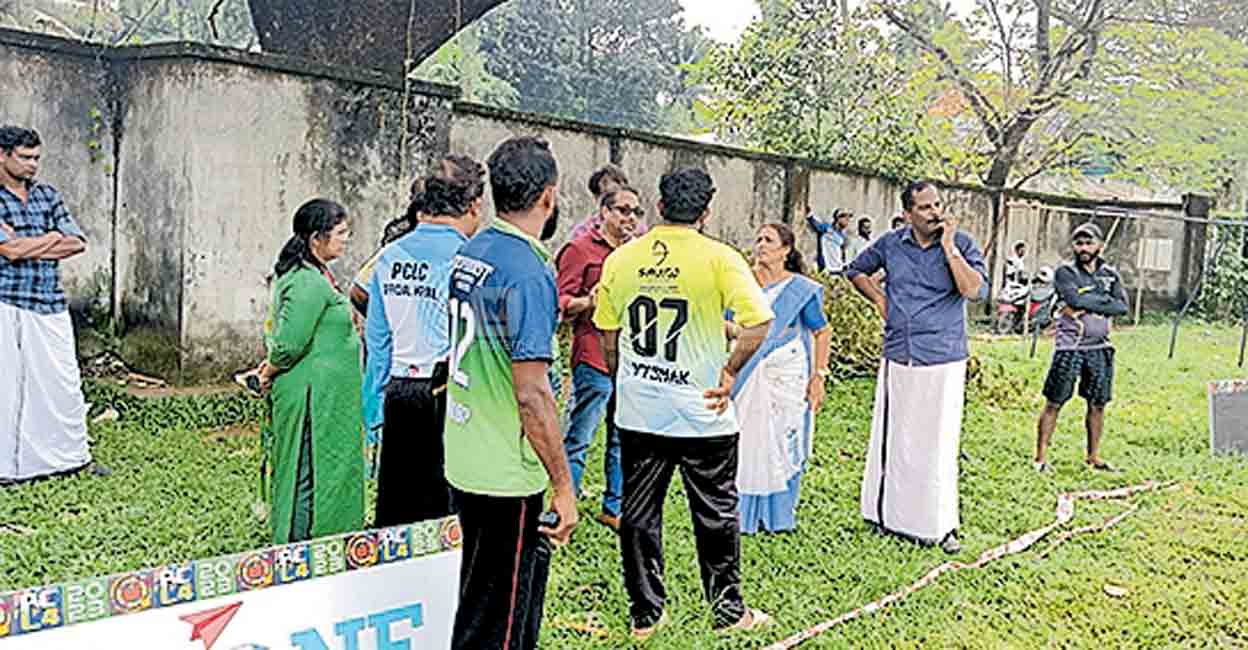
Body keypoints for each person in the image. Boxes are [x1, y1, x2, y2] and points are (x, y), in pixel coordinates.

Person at [594, 168, 775, 639]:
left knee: (637, 512)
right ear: (706, 211)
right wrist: (731, 371)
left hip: (640, 408)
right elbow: (758, 323)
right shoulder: (721, 258)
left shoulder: (623, 259)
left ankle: (646, 616)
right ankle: (728, 612)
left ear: (657, 205)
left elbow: (608, 335)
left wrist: (624, 377)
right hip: (703, 412)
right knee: (715, 512)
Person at [443, 136, 577, 650]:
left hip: (463, 453)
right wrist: (563, 484)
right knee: (499, 620)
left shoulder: (470, 251)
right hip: (505, 472)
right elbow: (532, 395)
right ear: (549, 195)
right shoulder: (528, 272)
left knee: (479, 599)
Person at [847, 180, 987, 555]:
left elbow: (973, 290)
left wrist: (949, 249)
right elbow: (856, 270)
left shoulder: (963, 244)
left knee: (936, 443)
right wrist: (879, 299)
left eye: (937, 204)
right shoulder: (892, 243)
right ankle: (886, 516)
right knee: (893, 439)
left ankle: (938, 525)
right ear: (907, 214)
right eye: (924, 207)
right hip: (898, 352)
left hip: (942, 356)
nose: (935, 212)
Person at [363, 155, 485, 527]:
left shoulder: (388, 257)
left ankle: (396, 579)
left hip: (398, 393)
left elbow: (377, 338)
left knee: (398, 504)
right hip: (450, 393)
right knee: (447, 509)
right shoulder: (469, 259)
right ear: (473, 205)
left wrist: (372, 407)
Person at [252, 198, 364, 544]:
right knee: (307, 470)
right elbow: (289, 343)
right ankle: (299, 545)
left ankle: (320, 537)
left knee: (319, 467)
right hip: (310, 395)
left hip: (324, 392)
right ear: (317, 239)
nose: (346, 239)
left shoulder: (316, 274)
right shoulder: (307, 283)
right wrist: (268, 371)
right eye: (341, 233)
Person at [0, 126, 106, 484]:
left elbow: (76, 242)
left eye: (36, 158)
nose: (33, 164)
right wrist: (49, 238)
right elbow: (8, 251)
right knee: (8, 387)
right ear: (3, 155)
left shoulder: (47, 195)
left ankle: (68, 459)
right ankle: (9, 469)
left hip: (50, 302)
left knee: (62, 383)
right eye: (25, 157)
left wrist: (31, 243)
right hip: (8, 302)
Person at [730, 223, 831, 534]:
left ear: (786, 250)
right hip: (746, 369)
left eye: (769, 240)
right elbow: (724, 323)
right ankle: (739, 513)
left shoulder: (801, 289)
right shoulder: (742, 284)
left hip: (787, 373)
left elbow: (821, 331)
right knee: (744, 438)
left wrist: (819, 376)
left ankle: (777, 514)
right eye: (758, 239)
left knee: (781, 440)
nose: (760, 245)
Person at [555, 184, 642, 532]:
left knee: (622, 437)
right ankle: (566, 506)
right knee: (579, 436)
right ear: (603, 212)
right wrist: (589, 302)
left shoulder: (639, 254)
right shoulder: (579, 250)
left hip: (631, 357)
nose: (629, 218)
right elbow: (561, 304)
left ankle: (614, 507)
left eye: (635, 212)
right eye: (622, 210)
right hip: (592, 356)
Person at [1034, 223, 1128, 472]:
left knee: (1098, 403)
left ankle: (1093, 457)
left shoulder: (1110, 274)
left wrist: (1089, 302)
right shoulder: (1065, 273)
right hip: (1070, 346)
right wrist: (1102, 301)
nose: (1083, 248)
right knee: (1055, 400)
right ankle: (1040, 458)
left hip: (1100, 346)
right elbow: (1073, 299)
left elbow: (1122, 307)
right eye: (1079, 243)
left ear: (1100, 245)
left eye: (1088, 243)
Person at [567, 164, 648, 241]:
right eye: (606, 195)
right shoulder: (583, 231)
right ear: (596, 197)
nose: (611, 200)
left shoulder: (639, 230)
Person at [806, 207, 852, 273]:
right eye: (844, 217)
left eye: (848, 218)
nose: (847, 220)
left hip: (838, 269)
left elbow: (843, 253)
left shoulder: (843, 237)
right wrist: (809, 215)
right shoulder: (826, 228)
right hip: (826, 269)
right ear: (837, 218)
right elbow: (815, 224)